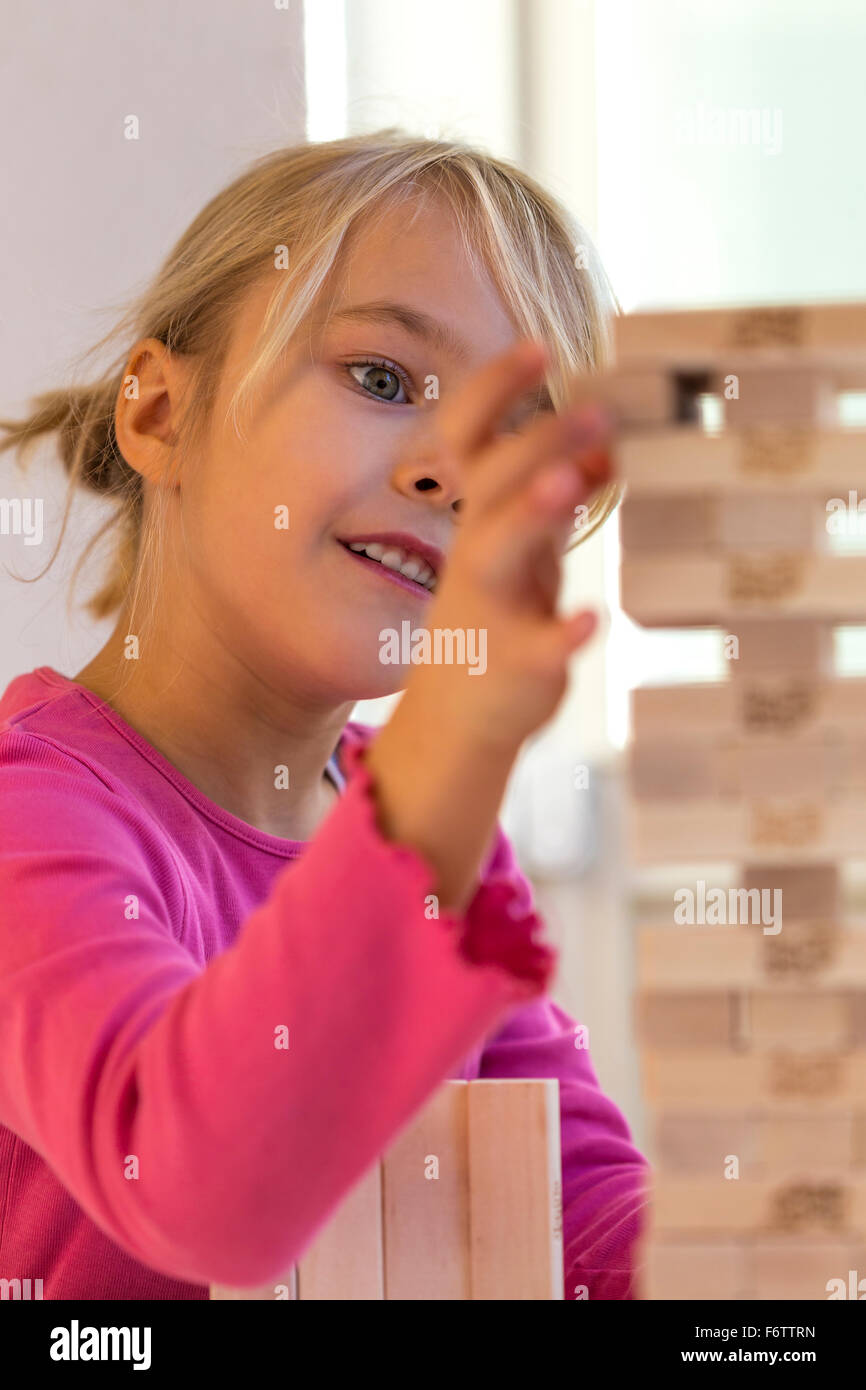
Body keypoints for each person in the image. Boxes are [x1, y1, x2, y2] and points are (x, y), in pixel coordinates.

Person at [0, 130, 649, 1300]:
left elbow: (591, 1230)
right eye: (383, 379)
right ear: (157, 413)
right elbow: (194, 1189)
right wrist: (450, 751)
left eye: (514, 434)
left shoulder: (430, 837)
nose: (453, 472)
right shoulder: (26, 818)